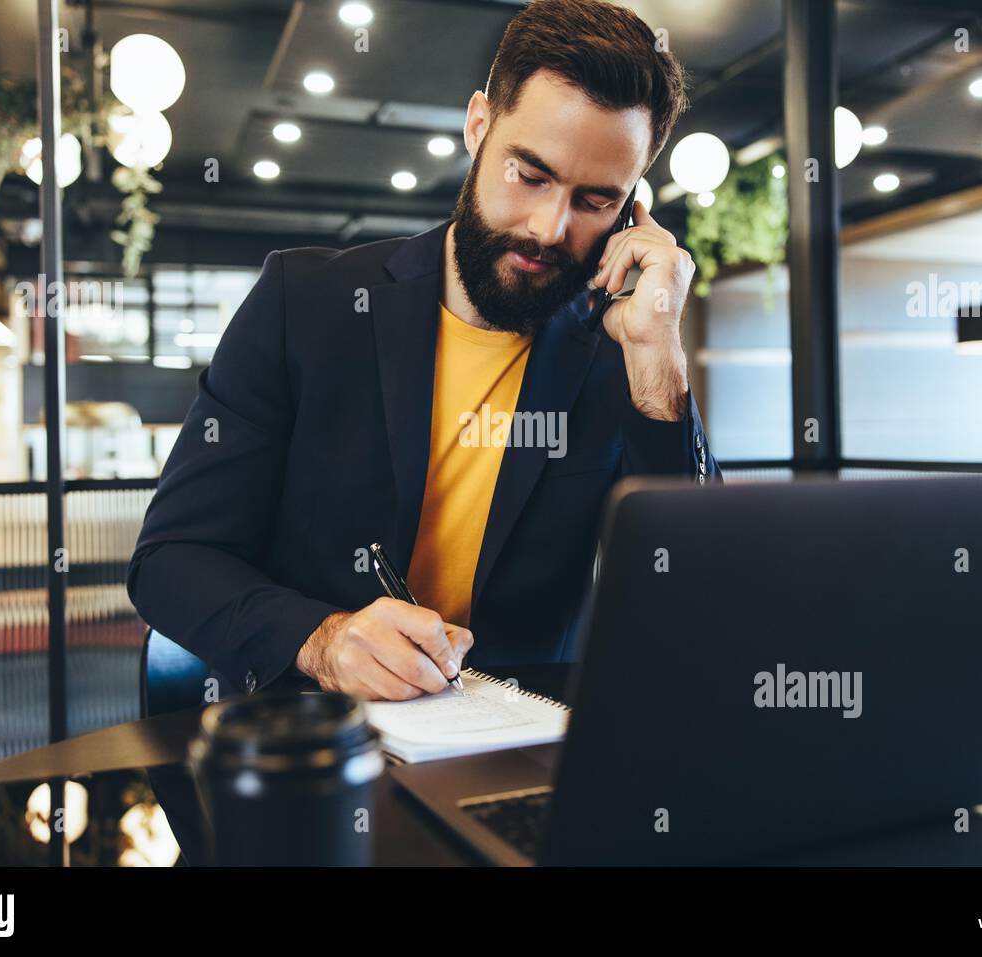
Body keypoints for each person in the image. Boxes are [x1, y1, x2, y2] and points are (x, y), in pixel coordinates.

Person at [126, 0, 720, 702]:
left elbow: (695, 600)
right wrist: (325, 641)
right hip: (309, 753)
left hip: (509, 766)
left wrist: (659, 361)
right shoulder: (306, 303)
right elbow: (171, 560)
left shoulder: (618, 353)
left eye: (594, 200)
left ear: (630, 209)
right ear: (478, 126)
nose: (548, 226)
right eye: (530, 174)